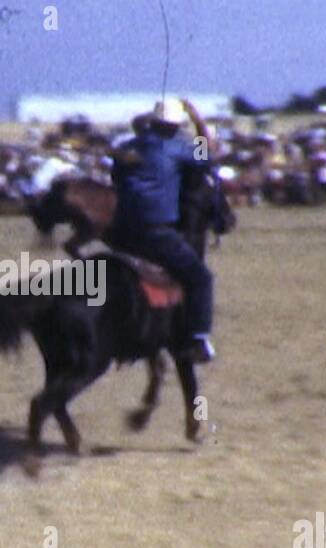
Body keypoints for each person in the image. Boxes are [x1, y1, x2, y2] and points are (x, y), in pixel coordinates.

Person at [109, 97, 218, 363]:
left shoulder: (126, 147)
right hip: (155, 233)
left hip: (121, 232)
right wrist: (197, 118)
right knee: (202, 278)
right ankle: (197, 339)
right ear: (173, 126)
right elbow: (209, 153)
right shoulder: (176, 148)